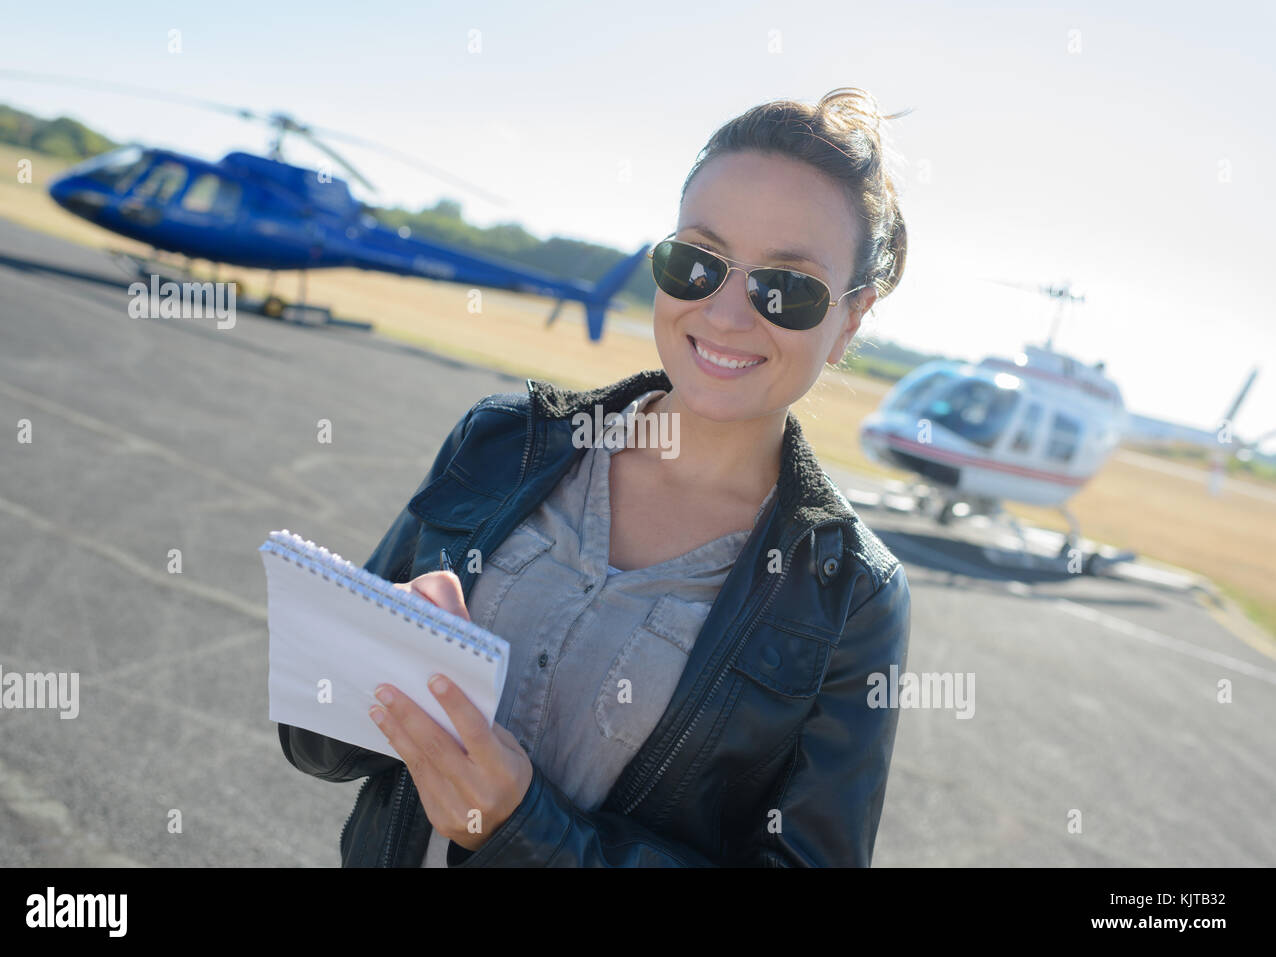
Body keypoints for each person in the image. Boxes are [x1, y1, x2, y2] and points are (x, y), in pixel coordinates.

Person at [278, 85, 913, 867]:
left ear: (850, 317)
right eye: (698, 262)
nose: (724, 314)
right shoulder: (499, 441)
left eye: (786, 288)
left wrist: (521, 831)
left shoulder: (849, 592)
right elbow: (318, 745)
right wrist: (367, 662)